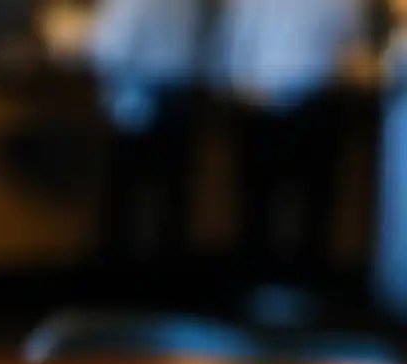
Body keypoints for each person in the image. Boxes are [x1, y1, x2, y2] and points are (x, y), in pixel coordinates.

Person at [213, 0, 370, 291]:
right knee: (304, 205)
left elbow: (233, 47)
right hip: (301, 103)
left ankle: (267, 286)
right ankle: (290, 287)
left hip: (282, 102)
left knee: (267, 203)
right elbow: (353, 52)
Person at [88, 0, 205, 275]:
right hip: (180, 96)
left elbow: (108, 49)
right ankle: (166, 282)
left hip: (139, 98)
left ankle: (122, 282)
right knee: (172, 198)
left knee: (126, 200)